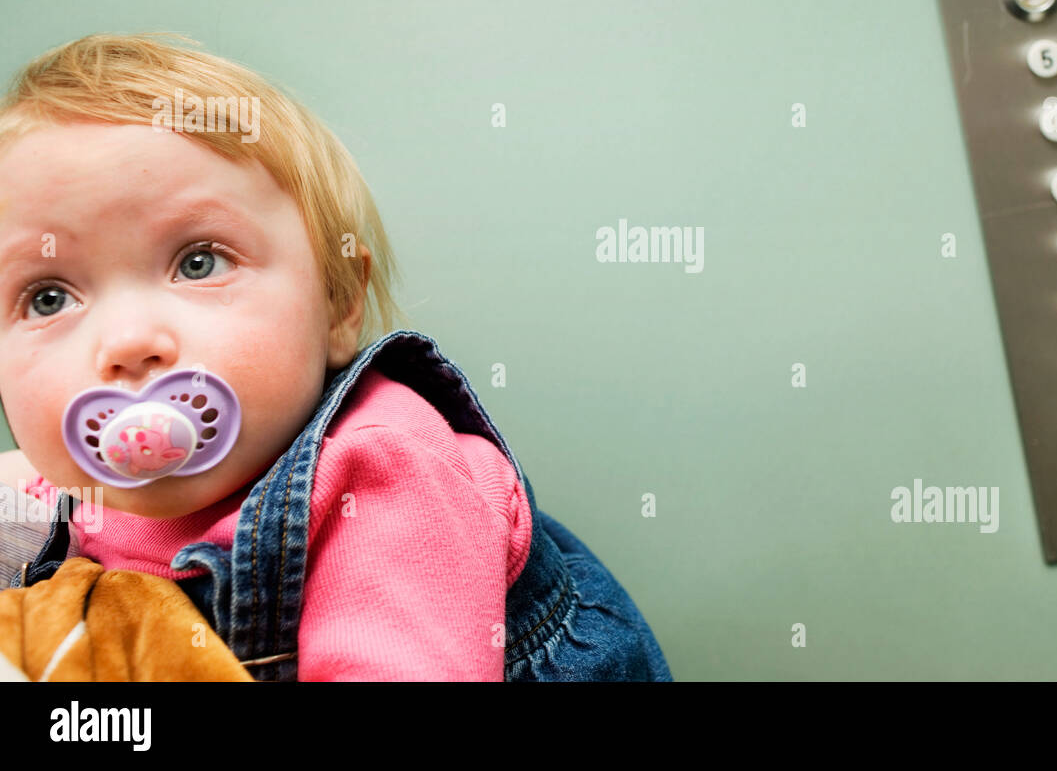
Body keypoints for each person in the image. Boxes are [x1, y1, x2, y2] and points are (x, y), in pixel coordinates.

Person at [0, 33, 671, 681]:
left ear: (339, 302)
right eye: (49, 297)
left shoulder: (383, 470)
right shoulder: (58, 494)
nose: (127, 342)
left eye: (199, 261)